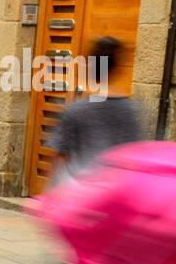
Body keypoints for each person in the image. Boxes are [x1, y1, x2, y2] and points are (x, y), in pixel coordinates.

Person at [49, 36, 143, 183]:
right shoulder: (131, 111)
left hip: (81, 193)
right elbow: (135, 156)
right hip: (116, 192)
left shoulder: (75, 111)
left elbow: (61, 159)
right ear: (117, 68)